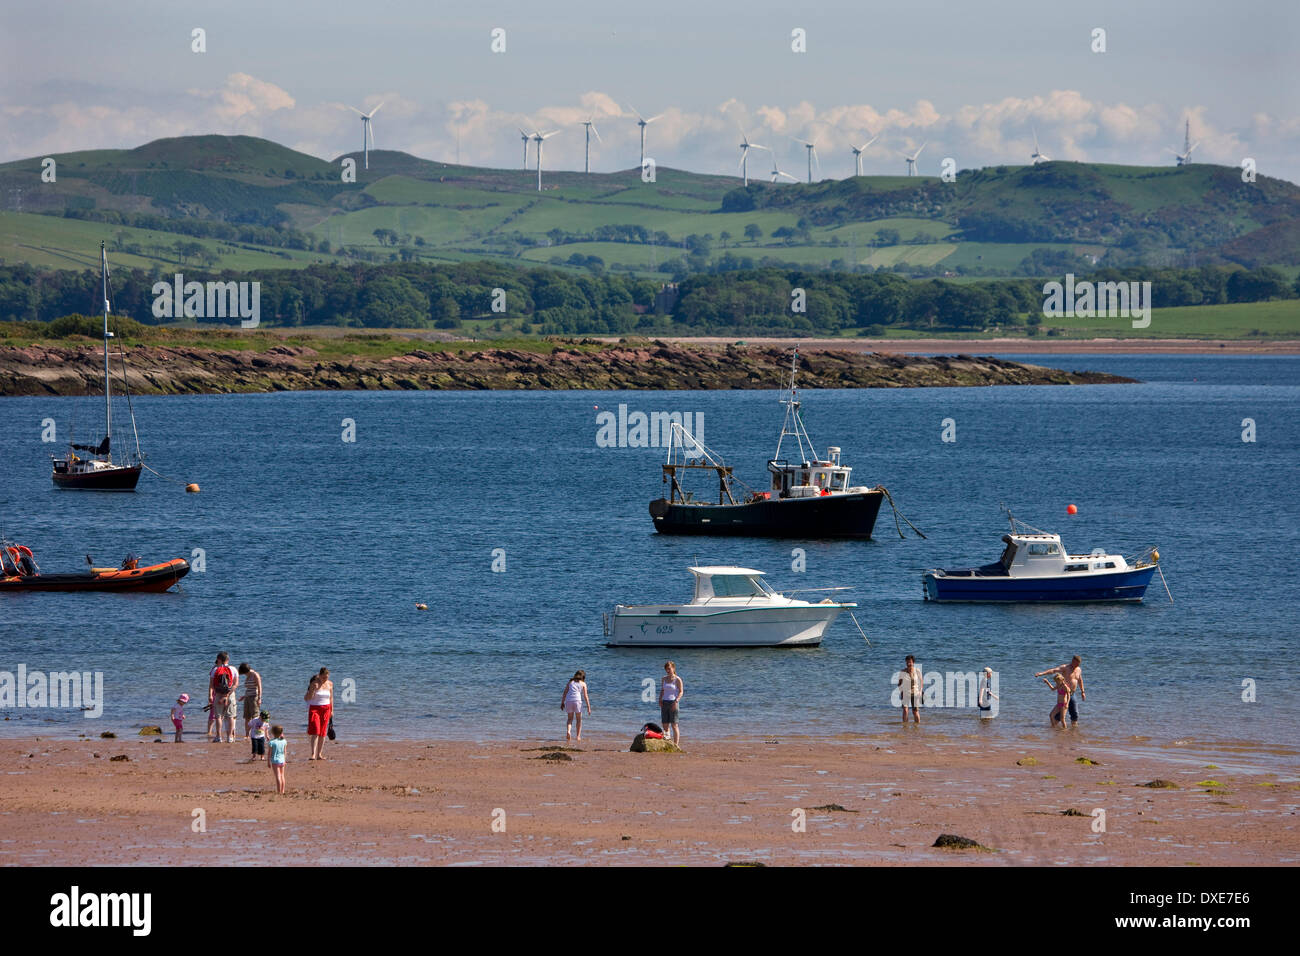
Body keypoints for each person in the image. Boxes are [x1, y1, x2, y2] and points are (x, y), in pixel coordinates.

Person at [1035, 656, 1084, 726]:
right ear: (1073, 661)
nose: (1077, 666)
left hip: (1072, 693)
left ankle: (1073, 731)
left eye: (1078, 664)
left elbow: (1080, 680)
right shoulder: (1065, 667)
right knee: (1059, 716)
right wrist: (1042, 673)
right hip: (1064, 694)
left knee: (1074, 714)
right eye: (1076, 664)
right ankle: (1057, 731)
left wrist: (1082, 691)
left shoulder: (1078, 669)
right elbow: (1053, 670)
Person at [208, 652, 239, 743]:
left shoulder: (215, 670)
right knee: (231, 716)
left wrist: (214, 694)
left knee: (218, 716)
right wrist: (227, 695)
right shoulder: (233, 669)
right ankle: (230, 737)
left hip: (218, 694)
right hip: (230, 695)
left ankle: (219, 737)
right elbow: (236, 684)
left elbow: (211, 685)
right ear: (227, 660)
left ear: (219, 659)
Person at [304, 668, 333, 761]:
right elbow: (307, 698)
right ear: (319, 675)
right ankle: (313, 754)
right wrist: (313, 690)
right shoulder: (314, 683)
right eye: (323, 677)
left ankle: (319, 754)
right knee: (315, 731)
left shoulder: (330, 684)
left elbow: (331, 698)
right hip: (315, 709)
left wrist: (332, 710)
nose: (325, 679)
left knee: (323, 733)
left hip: (326, 709)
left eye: (326, 677)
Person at [561, 670, 592, 742]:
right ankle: (578, 736)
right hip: (577, 701)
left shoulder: (570, 682)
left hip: (568, 701)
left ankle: (569, 731)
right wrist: (589, 707)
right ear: (583, 677)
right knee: (579, 720)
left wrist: (562, 702)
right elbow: (585, 696)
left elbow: (565, 692)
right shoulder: (583, 684)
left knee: (569, 719)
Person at [658, 661, 684, 746]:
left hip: (673, 702)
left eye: (669, 668)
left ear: (673, 668)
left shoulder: (677, 679)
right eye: (667, 669)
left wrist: (676, 701)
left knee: (674, 725)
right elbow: (662, 690)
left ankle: (676, 745)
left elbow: (681, 692)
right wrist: (660, 699)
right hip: (664, 702)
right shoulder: (664, 679)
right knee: (665, 725)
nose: (668, 670)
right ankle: (668, 742)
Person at [237, 663, 262, 740]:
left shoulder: (255, 675)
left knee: (255, 717)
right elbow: (249, 689)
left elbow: (259, 687)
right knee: (247, 717)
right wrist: (244, 697)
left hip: (254, 697)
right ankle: (247, 735)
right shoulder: (247, 675)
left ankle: (258, 734)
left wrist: (259, 698)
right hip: (247, 698)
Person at [899, 655, 922, 724]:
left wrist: (920, 691)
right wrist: (901, 691)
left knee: (915, 711)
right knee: (905, 710)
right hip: (905, 693)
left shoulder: (917, 671)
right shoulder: (902, 672)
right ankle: (905, 727)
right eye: (907, 662)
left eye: (910, 662)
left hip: (915, 693)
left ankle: (917, 726)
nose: (908, 664)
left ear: (913, 663)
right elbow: (899, 683)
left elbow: (921, 681)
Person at [267, 725, 287, 794]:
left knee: (278, 776)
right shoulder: (284, 741)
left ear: (273, 733)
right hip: (282, 760)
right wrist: (285, 760)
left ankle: (279, 791)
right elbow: (285, 752)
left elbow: (269, 753)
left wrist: (268, 762)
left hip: (275, 761)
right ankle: (283, 790)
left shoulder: (272, 742)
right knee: (282, 776)